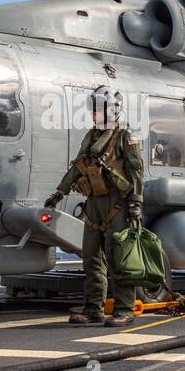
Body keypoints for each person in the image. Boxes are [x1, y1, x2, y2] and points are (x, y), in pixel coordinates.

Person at [46, 85, 146, 327]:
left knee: (118, 258)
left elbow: (136, 171)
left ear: (112, 111)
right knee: (91, 257)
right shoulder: (91, 136)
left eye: (98, 109)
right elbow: (78, 167)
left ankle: (124, 309)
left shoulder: (125, 137)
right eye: (92, 109)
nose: (93, 113)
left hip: (118, 204)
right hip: (94, 203)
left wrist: (135, 202)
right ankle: (93, 309)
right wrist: (60, 192)